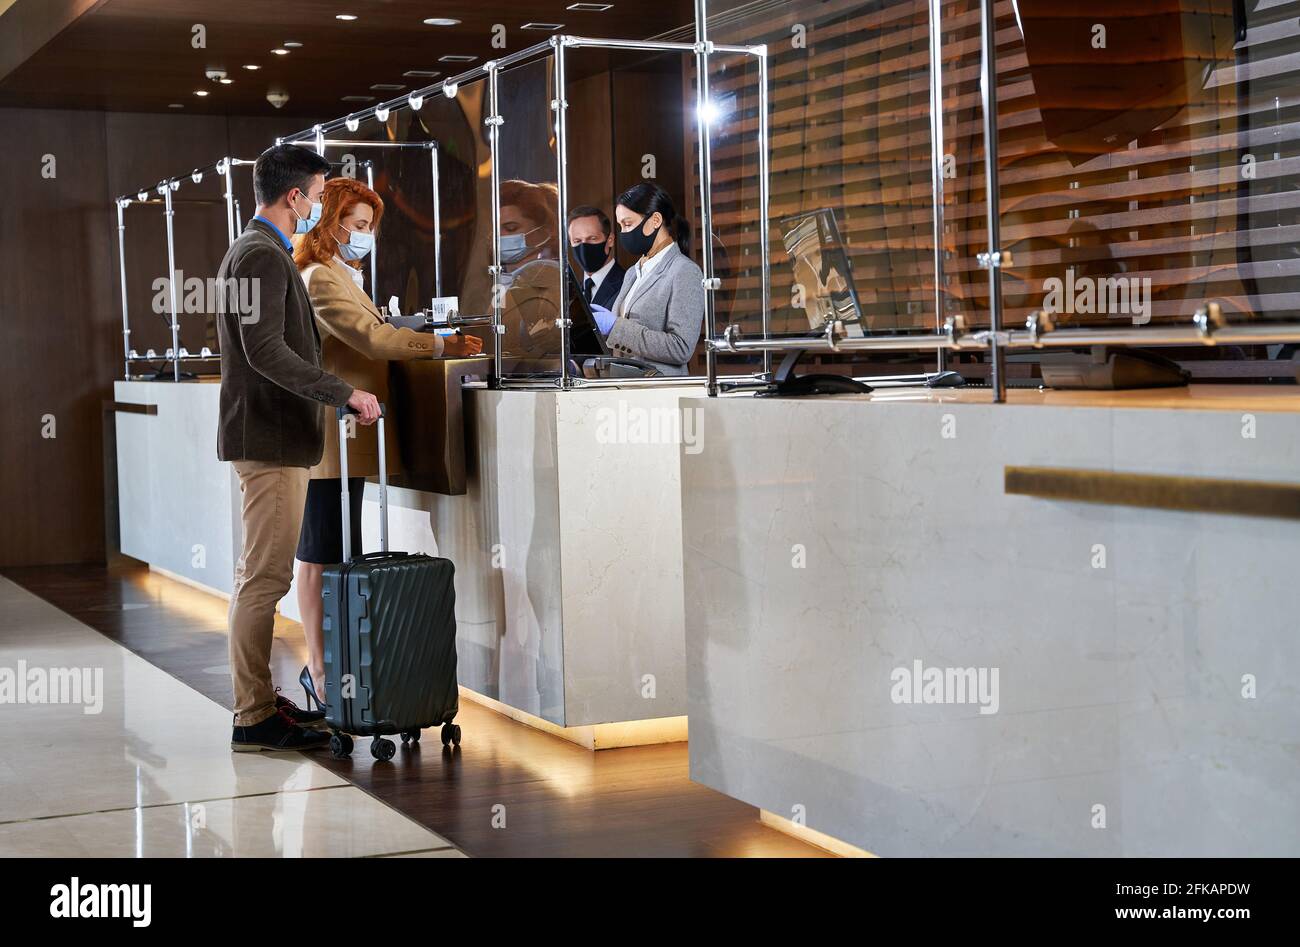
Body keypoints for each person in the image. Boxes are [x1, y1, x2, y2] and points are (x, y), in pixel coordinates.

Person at [291, 177, 481, 709]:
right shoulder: (320, 277)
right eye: (357, 225)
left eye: (370, 227)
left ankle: (336, 664)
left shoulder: (345, 274)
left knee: (336, 551)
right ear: (330, 224)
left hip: (349, 441)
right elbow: (371, 339)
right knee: (320, 554)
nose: (365, 236)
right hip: (331, 438)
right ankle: (320, 669)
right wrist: (437, 342)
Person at [216, 144, 380, 753]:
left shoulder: (257, 251)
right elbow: (264, 350)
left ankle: (257, 700)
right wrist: (342, 391)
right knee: (263, 580)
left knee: (261, 576)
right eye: (315, 196)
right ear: (295, 197)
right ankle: (253, 714)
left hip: (271, 435)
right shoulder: (260, 255)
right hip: (270, 437)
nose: (316, 206)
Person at [603, 182, 705, 376]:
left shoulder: (685, 271)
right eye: (620, 226)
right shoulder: (633, 273)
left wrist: (615, 326)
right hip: (625, 391)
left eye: (628, 224)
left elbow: (681, 348)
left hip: (659, 393)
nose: (623, 233)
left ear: (655, 220)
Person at [566, 205, 625, 311]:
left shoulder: (627, 284)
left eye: (592, 238)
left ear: (610, 240)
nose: (584, 247)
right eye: (577, 241)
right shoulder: (569, 294)